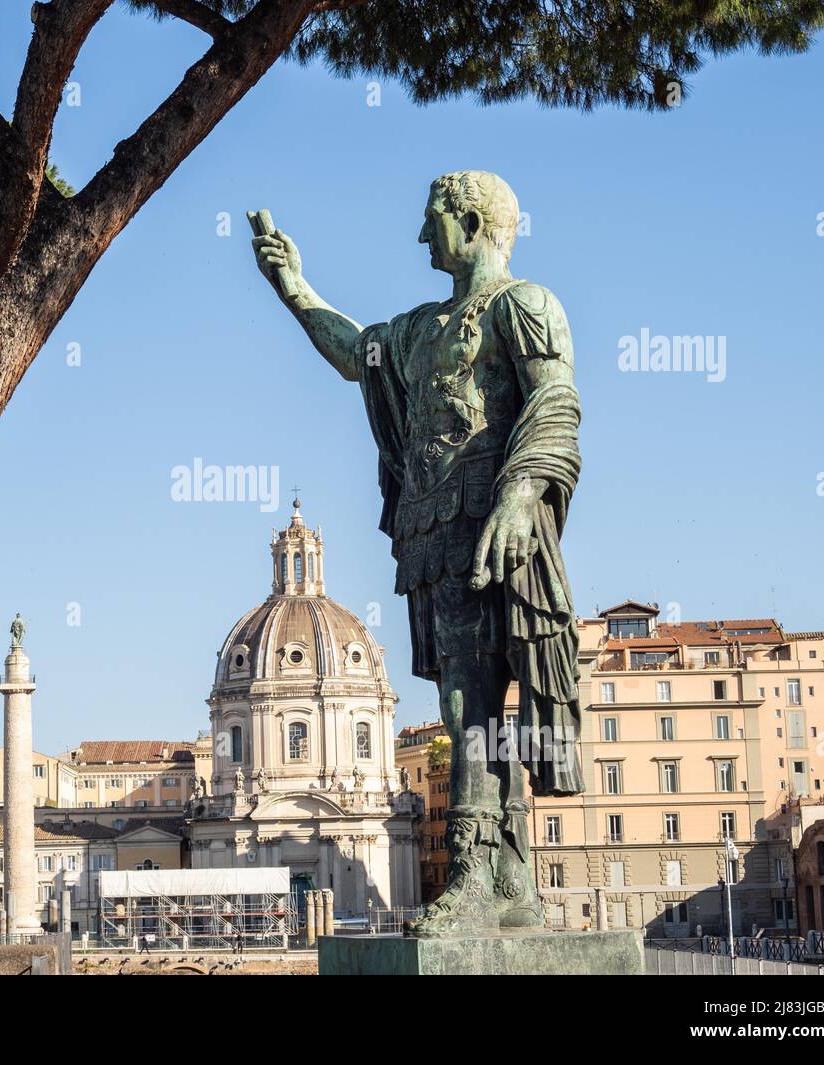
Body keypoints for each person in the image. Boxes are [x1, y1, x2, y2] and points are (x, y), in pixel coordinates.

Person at [253, 171, 584, 936]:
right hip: (435, 527)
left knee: (474, 698)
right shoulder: (419, 329)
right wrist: (295, 289)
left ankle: (474, 873)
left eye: (431, 220)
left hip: (497, 517)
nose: (420, 236)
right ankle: (512, 881)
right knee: (462, 698)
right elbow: (352, 352)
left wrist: (519, 494)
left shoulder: (524, 306)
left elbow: (556, 400)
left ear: (469, 222)